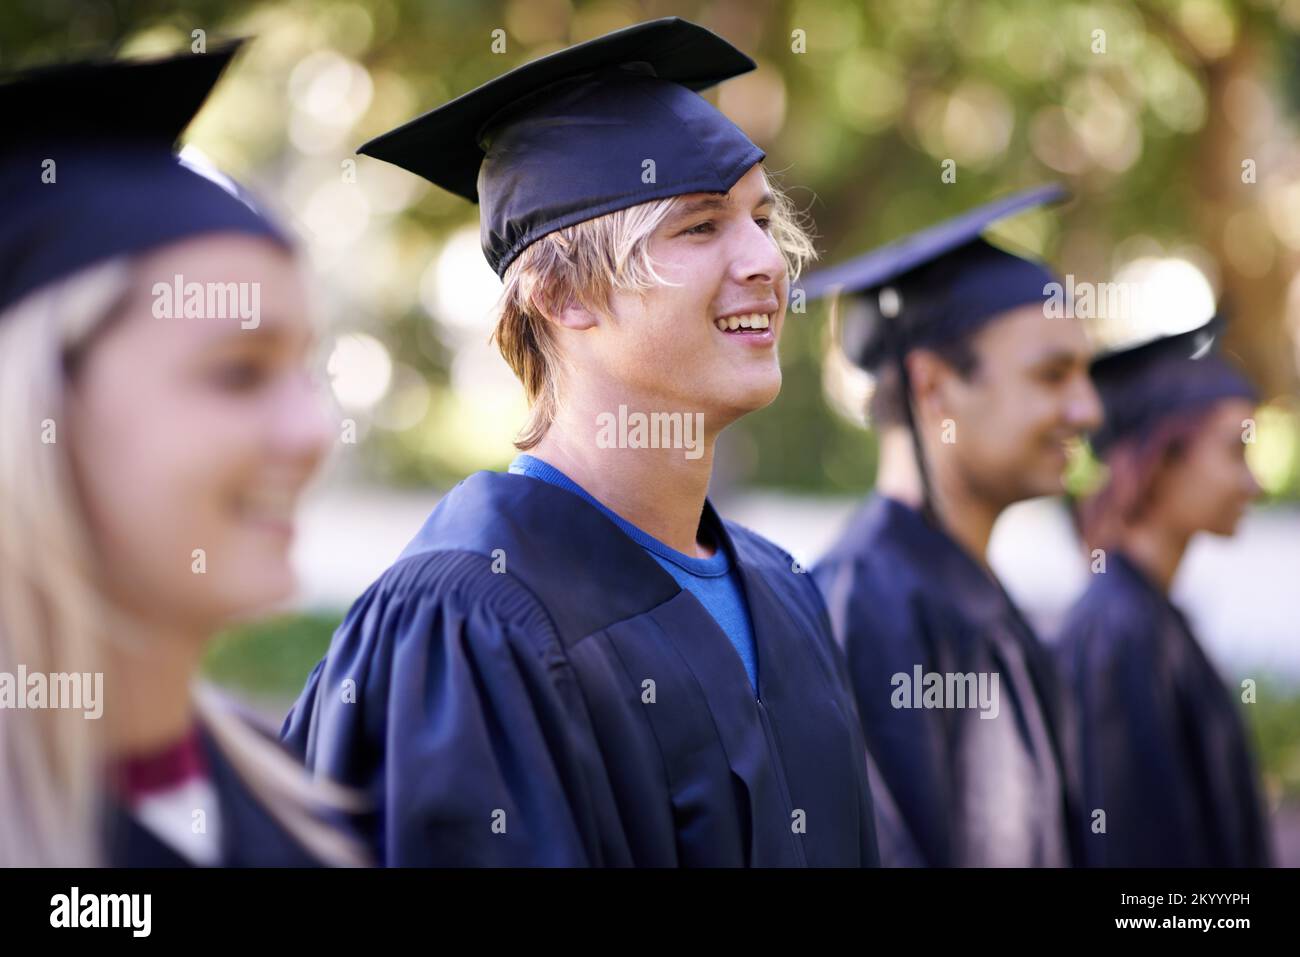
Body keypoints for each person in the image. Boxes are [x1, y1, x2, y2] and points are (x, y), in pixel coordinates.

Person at [283, 17, 878, 867]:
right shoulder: (466, 620)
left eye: (761, 216)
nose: (766, 261)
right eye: (702, 226)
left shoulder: (786, 592)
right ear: (563, 294)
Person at [0, 42, 366, 866]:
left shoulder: (299, 805)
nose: (314, 433)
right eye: (238, 374)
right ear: (32, 414)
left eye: (306, 371)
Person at [806, 186, 1100, 866]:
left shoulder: (978, 591)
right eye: (1052, 375)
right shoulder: (864, 607)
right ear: (933, 386)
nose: (1086, 409)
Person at [1057, 316, 1272, 866]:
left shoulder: (1153, 619)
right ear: (1160, 462)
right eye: (1235, 453)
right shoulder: (1116, 634)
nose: (1255, 484)